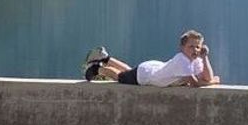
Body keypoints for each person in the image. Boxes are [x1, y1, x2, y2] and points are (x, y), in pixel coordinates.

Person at [87, 31, 220, 87]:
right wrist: (213, 82)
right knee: (121, 77)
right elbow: (195, 84)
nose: (195, 50)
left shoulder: (195, 60)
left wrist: (205, 57)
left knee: (129, 71)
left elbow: (207, 77)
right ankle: (99, 69)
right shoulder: (182, 60)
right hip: (147, 75)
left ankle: (105, 58)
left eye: (198, 47)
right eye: (191, 47)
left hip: (152, 69)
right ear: (182, 47)